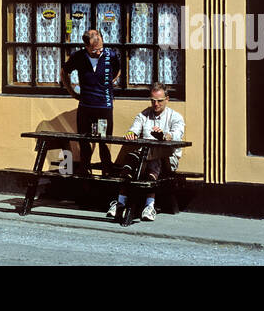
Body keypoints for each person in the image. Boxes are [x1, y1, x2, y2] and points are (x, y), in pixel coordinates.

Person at [114, 82, 186, 223]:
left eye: (159, 101)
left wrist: (166, 136)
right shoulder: (144, 114)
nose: (156, 104)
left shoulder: (175, 117)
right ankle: (121, 203)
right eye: (153, 101)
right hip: (144, 157)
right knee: (135, 158)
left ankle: (148, 205)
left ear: (167, 99)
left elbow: (177, 134)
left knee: (148, 158)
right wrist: (131, 133)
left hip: (168, 158)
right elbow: (133, 128)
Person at [62, 29, 122, 176]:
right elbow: (64, 72)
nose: (98, 52)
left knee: (104, 141)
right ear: (86, 46)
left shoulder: (111, 55)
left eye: (100, 48)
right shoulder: (78, 56)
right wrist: (72, 92)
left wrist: (109, 82)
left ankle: (107, 173)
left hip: (104, 106)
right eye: (94, 50)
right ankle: (85, 172)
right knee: (84, 141)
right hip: (86, 106)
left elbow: (118, 70)